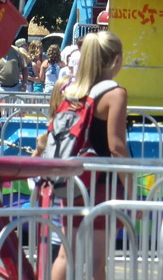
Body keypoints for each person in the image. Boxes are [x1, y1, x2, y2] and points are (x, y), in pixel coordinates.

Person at [50, 30, 130, 280]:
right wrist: (130, 190)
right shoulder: (115, 94)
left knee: (66, 254)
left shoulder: (72, 91)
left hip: (71, 181)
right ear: (117, 60)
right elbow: (117, 147)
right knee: (97, 260)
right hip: (101, 184)